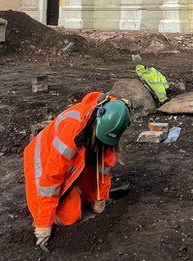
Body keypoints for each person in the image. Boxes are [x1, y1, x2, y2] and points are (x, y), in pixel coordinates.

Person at [22, 91, 132, 251]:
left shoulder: (112, 118)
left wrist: (100, 198)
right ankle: (57, 208)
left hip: (71, 164)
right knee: (70, 217)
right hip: (42, 164)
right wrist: (44, 224)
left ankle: (79, 191)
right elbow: (50, 180)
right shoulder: (71, 128)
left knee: (89, 195)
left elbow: (104, 166)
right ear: (96, 121)